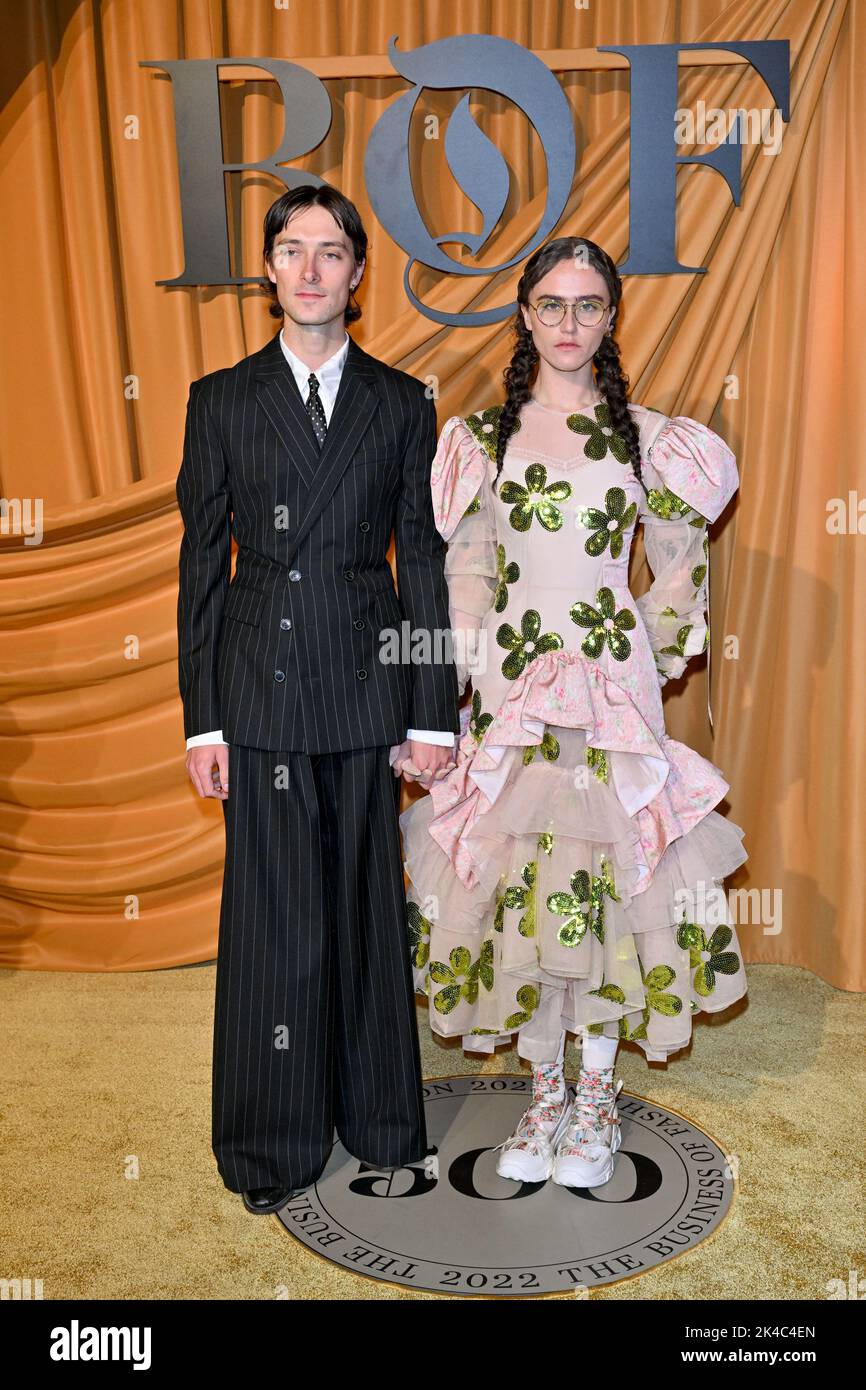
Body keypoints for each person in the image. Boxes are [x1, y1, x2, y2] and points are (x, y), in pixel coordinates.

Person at [395, 235, 748, 1190]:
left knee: (608, 888)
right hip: (512, 694)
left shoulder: (653, 441)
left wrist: (642, 659)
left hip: (609, 695)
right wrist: (461, 688)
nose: (568, 322)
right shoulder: (479, 440)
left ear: (611, 318)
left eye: (587, 305)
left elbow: (678, 567)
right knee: (518, 882)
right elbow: (468, 575)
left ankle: (596, 1096)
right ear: (524, 314)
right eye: (551, 304)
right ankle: (544, 1093)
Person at [176, 183, 460, 1215]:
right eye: (290, 250)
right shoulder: (219, 399)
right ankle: (270, 1144)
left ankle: (380, 1121)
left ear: (356, 272)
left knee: (366, 914)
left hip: (365, 688)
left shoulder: (403, 402)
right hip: (257, 693)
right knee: (273, 926)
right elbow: (201, 567)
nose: (309, 269)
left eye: (330, 251)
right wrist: (201, 720)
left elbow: (421, 561)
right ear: (267, 269)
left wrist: (431, 714)